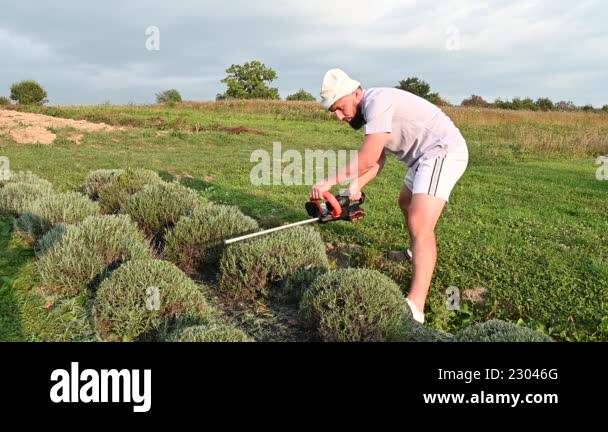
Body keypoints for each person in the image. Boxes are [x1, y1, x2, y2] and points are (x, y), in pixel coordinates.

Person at [311, 69, 469, 324]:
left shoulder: (377, 102)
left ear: (356, 93)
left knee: (420, 222)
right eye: (334, 112)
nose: (339, 117)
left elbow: (367, 158)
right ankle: (414, 251)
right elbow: (377, 161)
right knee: (405, 202)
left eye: (340, 108)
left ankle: (415, 307)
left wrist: (330, 180)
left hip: (443, 151)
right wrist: (356, 186)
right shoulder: (372, 111)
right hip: (421, 158)